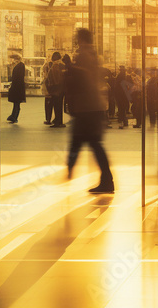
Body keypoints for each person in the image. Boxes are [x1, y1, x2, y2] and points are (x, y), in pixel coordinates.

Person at [63, 28, 114, 194]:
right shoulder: (93, 55)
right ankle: (105, 179)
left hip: (87, 107)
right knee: (92, 143)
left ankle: (72, 170)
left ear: (80, 39)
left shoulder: (84, 55)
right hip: (93, 106)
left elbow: (85, 79)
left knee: (84, 141)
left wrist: (70, 69)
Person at [41, 52, 66, 127]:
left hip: (56, 89)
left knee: (57, 106)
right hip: (61, 89)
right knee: (59, 106)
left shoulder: (55, 66)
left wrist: (50, 86)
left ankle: (58, 122)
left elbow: (54, 79)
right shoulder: (62, 65)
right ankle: (59, 121)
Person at [7, 53, 26, 123]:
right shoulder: (19, 65)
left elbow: (19, 77)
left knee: (17, 102)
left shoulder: (20, 65)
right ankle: (13, 116)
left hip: (18, 87)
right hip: (17, 87)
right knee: (16, 102)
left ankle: (14, 116)